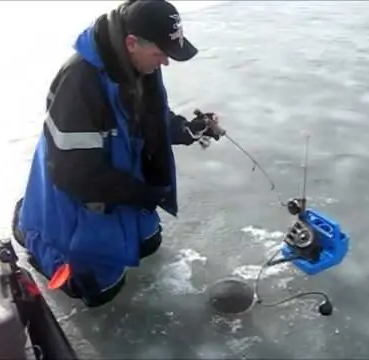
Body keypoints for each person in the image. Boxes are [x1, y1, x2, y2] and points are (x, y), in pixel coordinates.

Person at [12, 0, 222, 307]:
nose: (165, 62)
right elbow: (74, 173)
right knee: (99, 290)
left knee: (151, 245)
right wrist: (142, 194)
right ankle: (27, 230)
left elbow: (150, 117)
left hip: (127, 183)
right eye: (160, 52)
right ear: (132, 43)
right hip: (82, 202)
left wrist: (188, 129)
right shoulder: (79, 82)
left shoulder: (139, 64)